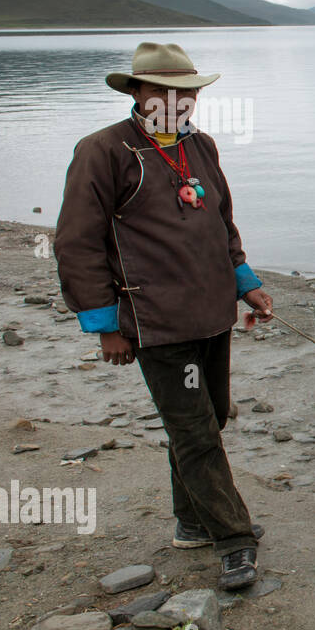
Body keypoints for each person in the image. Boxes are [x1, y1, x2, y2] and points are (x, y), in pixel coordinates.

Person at [55, 41, 272, 591]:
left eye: (187, 92)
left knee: (212, 417)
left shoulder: (201, 146)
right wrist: (104, 325)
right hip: (153, 320)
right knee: (195, 431)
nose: (176, 101)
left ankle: (193, 521)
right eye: (162, 91)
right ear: (137, 92)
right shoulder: (102, 151)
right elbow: (77, 244)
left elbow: (221, 222)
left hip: (210, 310)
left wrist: (246, 285)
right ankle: (234, 541)